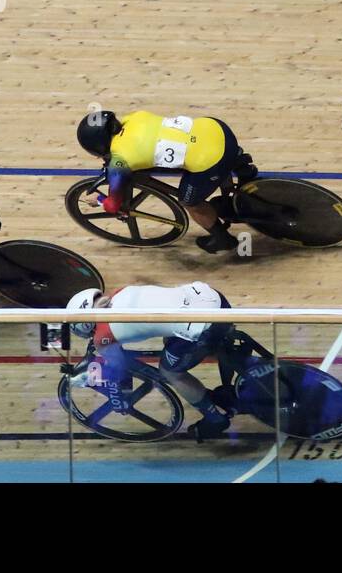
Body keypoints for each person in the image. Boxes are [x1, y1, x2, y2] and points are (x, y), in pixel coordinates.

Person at [65, 281, 235, 441]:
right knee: (169, 339)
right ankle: (219, 361)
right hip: (212, 298)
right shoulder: (120, 292)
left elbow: (119, 370)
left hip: (206, 325)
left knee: (170, 372)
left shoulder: (103, 336)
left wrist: (105, 388)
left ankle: (215, 419)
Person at [75, 109, 257, 252]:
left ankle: (223, 239)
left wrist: (99, 200)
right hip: (217, 128)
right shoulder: (135, 117)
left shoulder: (120, 160)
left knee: (189, 201)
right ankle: (241, 167)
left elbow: (113, 206)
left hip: (212, 159)